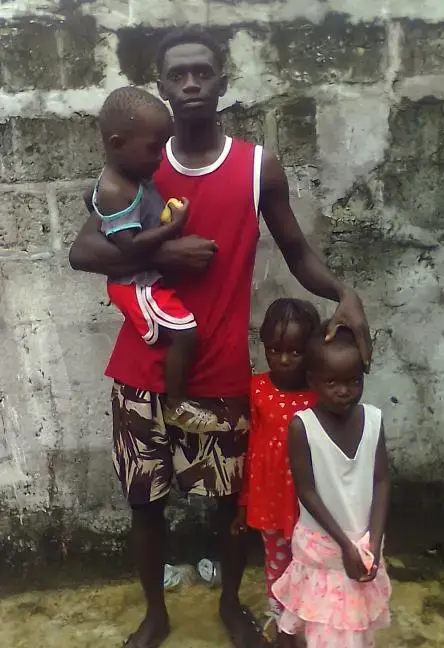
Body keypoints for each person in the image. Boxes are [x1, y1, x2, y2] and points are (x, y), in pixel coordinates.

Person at [68, 27, 372, 648]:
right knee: (144, 503)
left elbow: (295, 249)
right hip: (140, 373)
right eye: (177, 75)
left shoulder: (257, 166)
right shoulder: (140, 167)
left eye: (202, 72)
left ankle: (232, 605)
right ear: (161, 87)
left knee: (227, 507)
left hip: (221, 375)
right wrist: (168, 249)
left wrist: (344, 293)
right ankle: (155, 613)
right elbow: (83, 250)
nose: (190, 84)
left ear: (223, 83)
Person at [94, 86, 227, 434]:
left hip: (143, 284)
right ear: (117, 143)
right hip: (134, 285)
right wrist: (174, 231)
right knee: (184, 333)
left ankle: (174, 401)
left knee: (183, 331)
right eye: (155, 148)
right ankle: (176, 405)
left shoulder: (133, 177)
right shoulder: (113, 190)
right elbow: (130, 246)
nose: (160, 157)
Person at [272, 323, 391, 648]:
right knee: (310, 621)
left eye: (354, 381)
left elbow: (381, 481)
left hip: (363, 545)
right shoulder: (303, 427)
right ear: (312, 381)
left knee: (342, 625)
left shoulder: (374, 420)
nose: (345, 391)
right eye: (332, 382)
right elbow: (306, 491)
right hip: (321, 550)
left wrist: (374, 543)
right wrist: (344, 545)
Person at [231, 298, 320, 645]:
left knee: (310, 568)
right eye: (274, 349)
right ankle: (284, 626)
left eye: (295, 351)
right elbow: (251, 450)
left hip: (309, 508)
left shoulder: (320, 394)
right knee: (277, 567)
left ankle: (311, 625)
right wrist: (243, 503)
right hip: (269, 504)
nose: (283, 359)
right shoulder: (257, 389)